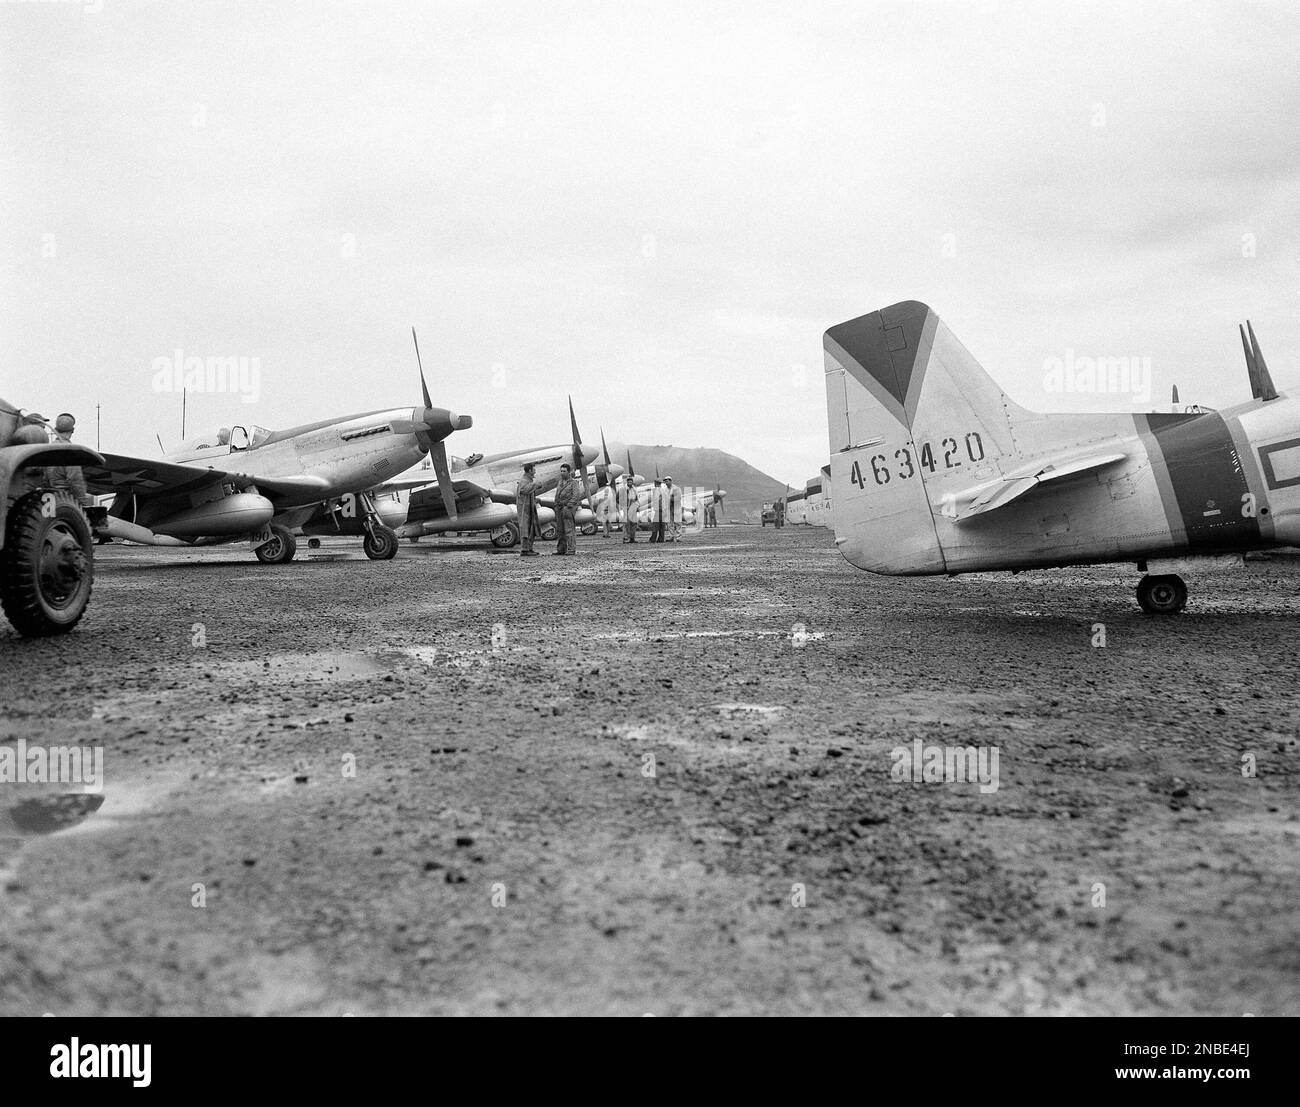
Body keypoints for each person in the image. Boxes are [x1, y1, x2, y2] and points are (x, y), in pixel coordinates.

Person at [45, 412, 92, 506]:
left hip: (49, 500)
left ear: (55, 430)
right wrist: (83, 503)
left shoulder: (46, 449)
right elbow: (75, 480)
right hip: (66, 500)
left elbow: (44, 479)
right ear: (73, 430)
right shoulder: (70, 451)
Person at [552, 462, 582, 555]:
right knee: (560, 530)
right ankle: (561, 549)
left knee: (569, 529)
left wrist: (569, 506)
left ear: (569, 472)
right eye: (561, 471)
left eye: (564, 471)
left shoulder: (574, 483)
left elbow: (576, 495)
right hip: (559, 508)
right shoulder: (560, 482)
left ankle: (571, 549)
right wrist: (556, 505)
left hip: (567, 509)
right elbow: (557, 494)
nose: (562, 473)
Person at [516, 460, 540, 557]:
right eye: (533, 469)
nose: (535, 471)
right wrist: (535, 485)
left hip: (529, 509)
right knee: (526, 528)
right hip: (525, 510)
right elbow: (524, 490)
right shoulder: (524, 481)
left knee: (531, 528)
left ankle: (529, 548)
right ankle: (525, 549)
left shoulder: (527, 481)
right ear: (530, 470)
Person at [621, 474, 638, 543]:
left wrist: (637, 506)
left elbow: (637, 499)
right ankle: (625, 538)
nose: (630, 483)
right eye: (628, 482)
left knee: (634, 524)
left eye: (631, 482)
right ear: (626, 482)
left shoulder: (634, 490)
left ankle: (632, 538)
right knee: (626, 524)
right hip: (627, 508)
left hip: (633, 508)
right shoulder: (623, 489)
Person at [665, 476, 682, 542]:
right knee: (669, 523)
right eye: (665, 481)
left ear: (670, 481)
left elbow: (678, 498)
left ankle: (678, 537)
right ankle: (671, 536)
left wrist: (671, 499)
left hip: (676, 507)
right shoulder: (665, 489)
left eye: (667, 481)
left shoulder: (676, 489)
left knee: (678, 522)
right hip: (669, 507)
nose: (666, 483)